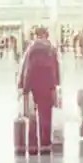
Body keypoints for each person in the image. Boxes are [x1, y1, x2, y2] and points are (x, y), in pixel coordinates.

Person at [18, 26, 61, 154]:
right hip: (48, 84)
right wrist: (56, 84)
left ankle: (32, 145)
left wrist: (22, 86)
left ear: (35, 35)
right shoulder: (51, 49)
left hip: (32, 84)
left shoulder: (31, 48)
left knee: (31, 115)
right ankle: (45, 144)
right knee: (46, 114)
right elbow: (56, 68)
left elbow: (25, 68)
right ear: (46, 35)